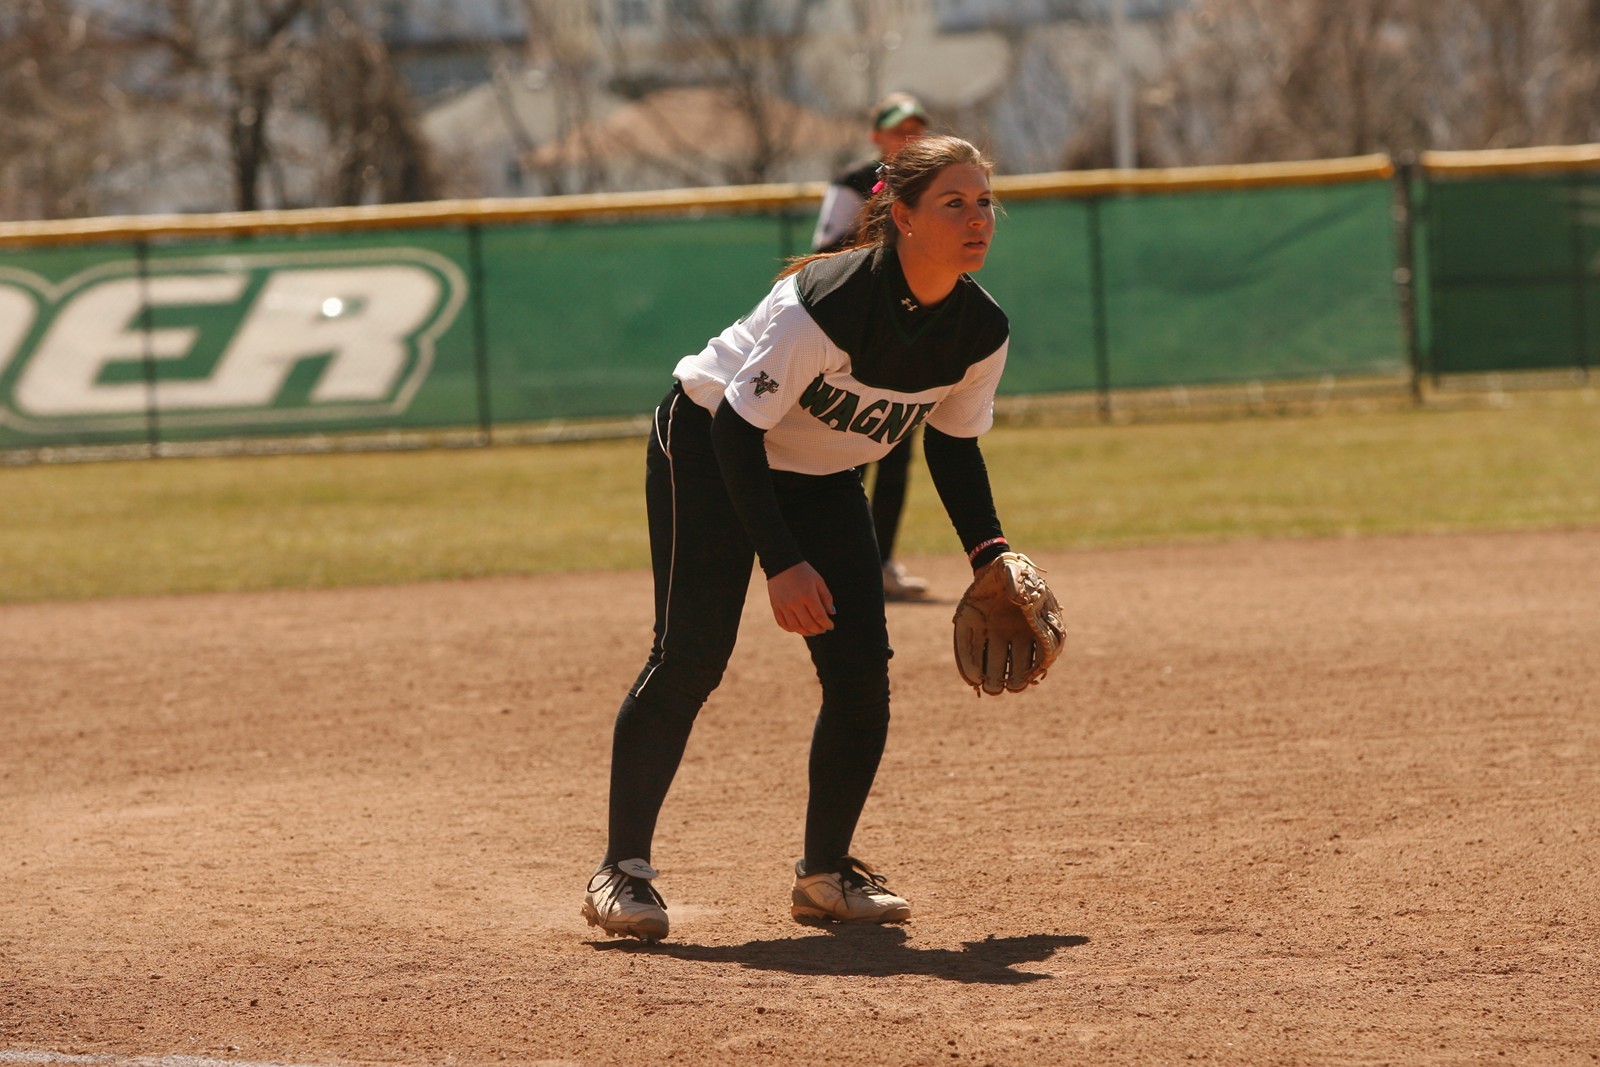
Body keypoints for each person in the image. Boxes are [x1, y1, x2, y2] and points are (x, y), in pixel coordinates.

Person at [582, 134, 1024, 943]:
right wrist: (782, 563)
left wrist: (989, 552)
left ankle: (825, 874)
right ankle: (622, 871)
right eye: (954, 202)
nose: (978, 219)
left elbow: (953, 445)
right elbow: (740, 434)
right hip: (713, 447)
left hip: (819, 476)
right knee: (690, 656)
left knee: (861, 673)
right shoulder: (827, 301)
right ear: (902, 216)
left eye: (985, 201)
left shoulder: (979, 329)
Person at [813, 91, 934, 602]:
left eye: (916, 127)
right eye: (897, 128)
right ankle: (842, 563)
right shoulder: (853, 183)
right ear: (878, 136)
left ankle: (880, 562)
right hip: (860, 332)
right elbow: (823, 250)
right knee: (850, 448)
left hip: (912, 329)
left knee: (899, 449)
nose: (908, 136)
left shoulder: (935, 180)